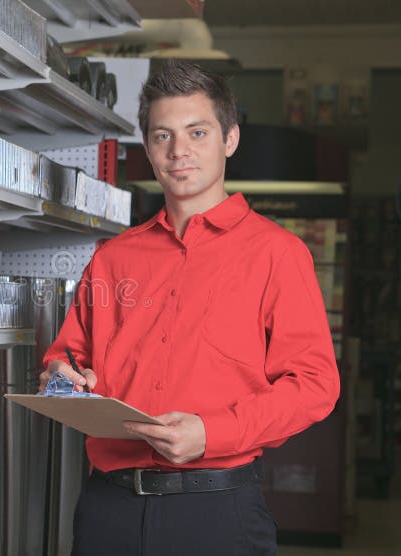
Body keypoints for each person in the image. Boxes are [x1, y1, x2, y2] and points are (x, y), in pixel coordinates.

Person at [39, 59, 340, 556]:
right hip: (107, 510)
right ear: (149, 148)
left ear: (230, 139)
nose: (178, 151)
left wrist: (211, 433)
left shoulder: (277, 254)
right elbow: (67, 356)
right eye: (162, 136)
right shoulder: (113, 258)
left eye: (196, 132)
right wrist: (64, 376)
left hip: (218, 514)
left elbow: (314, 386)